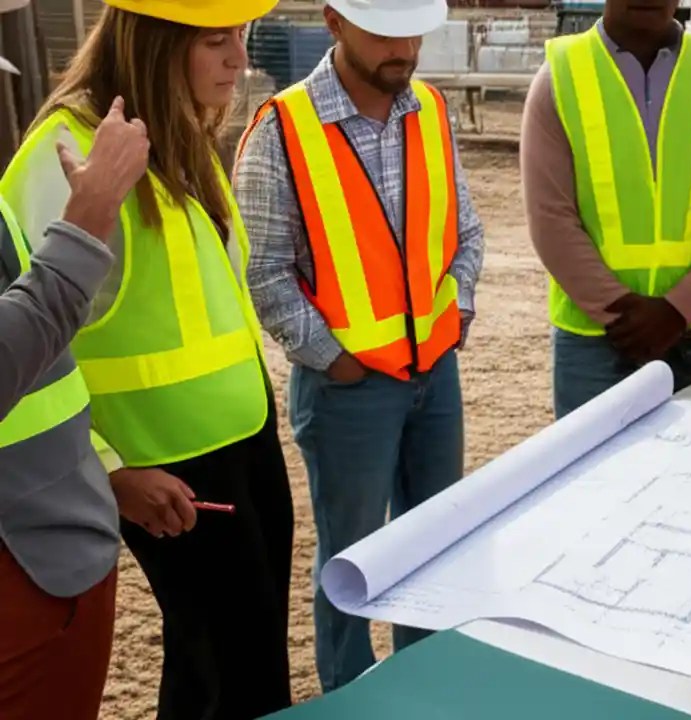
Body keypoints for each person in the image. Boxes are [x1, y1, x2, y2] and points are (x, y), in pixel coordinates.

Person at [0, 1, 296, 718]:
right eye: (214, 41)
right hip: (162, 463)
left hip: (240, 438)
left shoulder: (180, 135)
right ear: (153, 42)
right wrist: (108, 467)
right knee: (215, 673)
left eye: (242, 38)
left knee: (250, 664)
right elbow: (31, 343)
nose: (239, 60)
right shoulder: (65, 154)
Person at [234, 0, 485, 692]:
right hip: (347, 391)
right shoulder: (282, 130)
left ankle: (424, 680)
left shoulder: (428, 109)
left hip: (435, 376)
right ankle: (348, 692)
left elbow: (465, 230)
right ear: (335, 22)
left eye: (412, 29)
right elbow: (262, 270)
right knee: (350, 559)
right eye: (384, 30)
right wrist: (332, 359)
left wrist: (455, 311)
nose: (403, 47)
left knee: (433, 545)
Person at [0, 19, 152, 718]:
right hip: (28, 563)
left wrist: (98, 471)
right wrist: (89, 217)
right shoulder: (55, 146)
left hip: (55, 539)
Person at [522, 0, 691, 419]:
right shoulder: (561, 75)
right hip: (597, 342)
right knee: (595, 481)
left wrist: (678, 308)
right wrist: (619, 310)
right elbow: (550, 216)